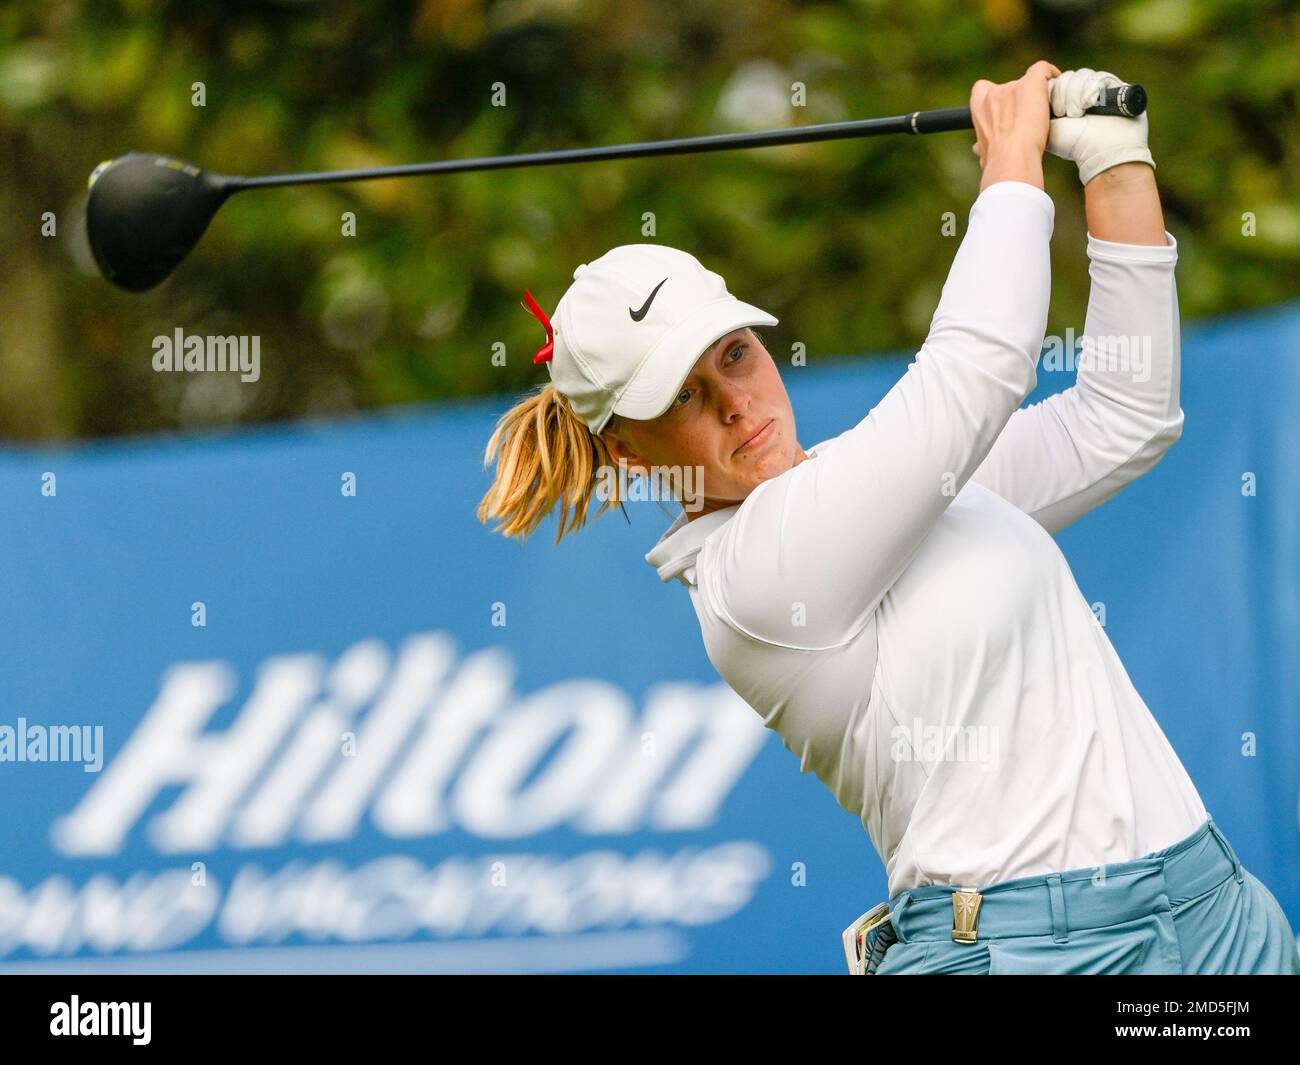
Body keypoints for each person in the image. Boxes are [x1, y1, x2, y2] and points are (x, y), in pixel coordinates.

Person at [476, 62, 1300, 975]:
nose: (737, 403)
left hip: (1214, 917)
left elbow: (1124, 415)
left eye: (737, 355)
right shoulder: (754, 577)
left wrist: (1113, 161)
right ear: (628, 454)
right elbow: (976, 370)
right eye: (684, 395)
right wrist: (1010, 165)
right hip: (1027, 955)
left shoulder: (887, 487)